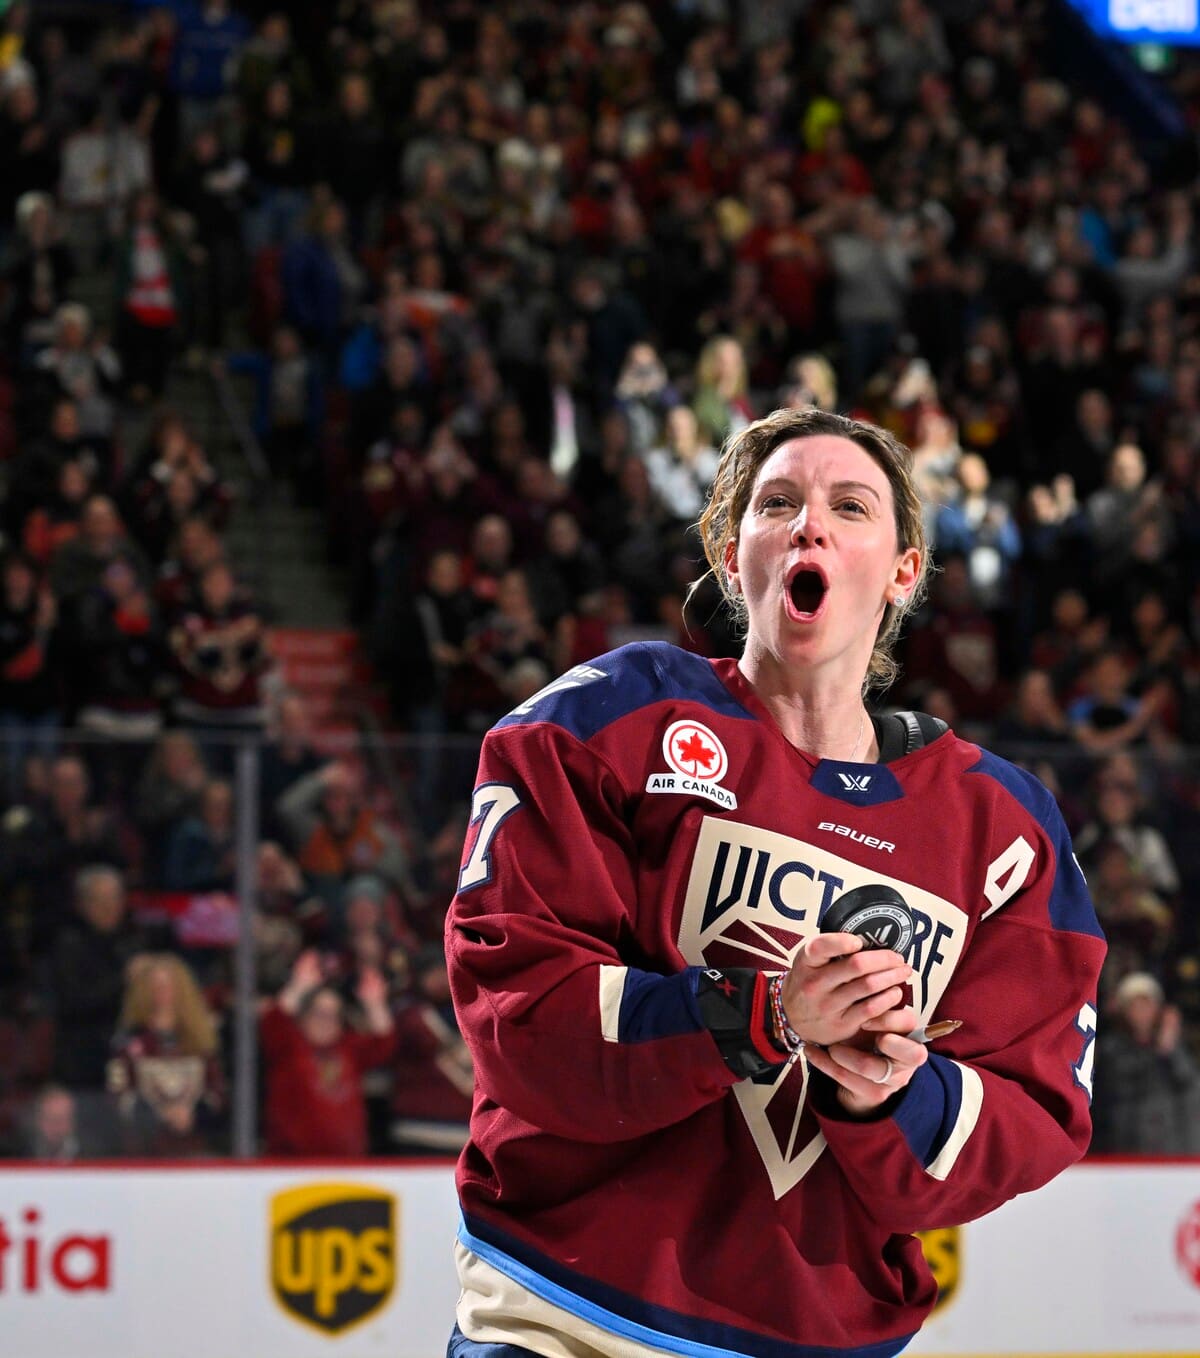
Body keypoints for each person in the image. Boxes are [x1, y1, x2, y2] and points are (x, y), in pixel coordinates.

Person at [446, 406, 1106, 1358]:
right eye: (778, 503)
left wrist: (885, 1092)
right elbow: (524, 1011)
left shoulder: (1005, 835)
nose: (811, 525)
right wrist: (757, 1016)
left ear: (904, 571)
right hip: (564, 1312)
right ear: (729, 552)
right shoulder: (602, 722)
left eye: (850, 505)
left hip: (815, 1335)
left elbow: (1032, 1111)